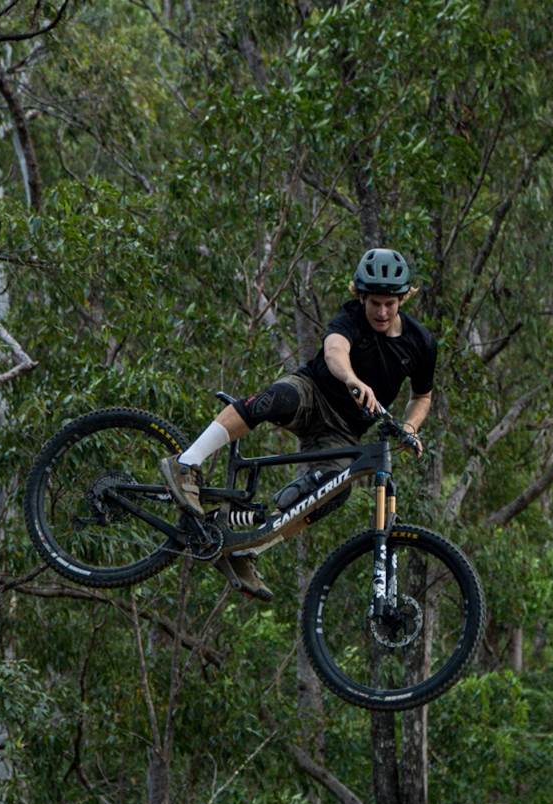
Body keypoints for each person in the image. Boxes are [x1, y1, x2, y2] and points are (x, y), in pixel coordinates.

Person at [160, 248, 437, 602]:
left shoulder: (421, 342)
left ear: (403, 299)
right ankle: (186, 463)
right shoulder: (350, 318)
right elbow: (335, 351)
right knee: (276, 398)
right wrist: (352, 380)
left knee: (331, 494)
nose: (381, 312)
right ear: (362, 297)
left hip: (341, 433)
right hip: (312, 394)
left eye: (390, 304)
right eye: (374, 304)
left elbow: (422, 397)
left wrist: (410, 427)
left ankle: (246, 548)